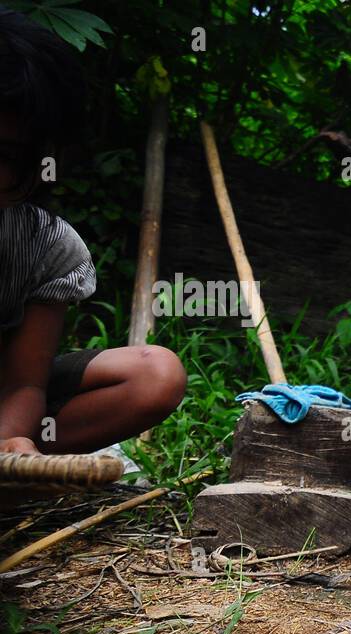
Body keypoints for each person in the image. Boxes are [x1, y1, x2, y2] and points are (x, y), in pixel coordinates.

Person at [0, 7, 186, 459]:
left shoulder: (46, 248)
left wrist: (9, 443)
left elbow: (24, 382)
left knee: (157, 374)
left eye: (4, 154)